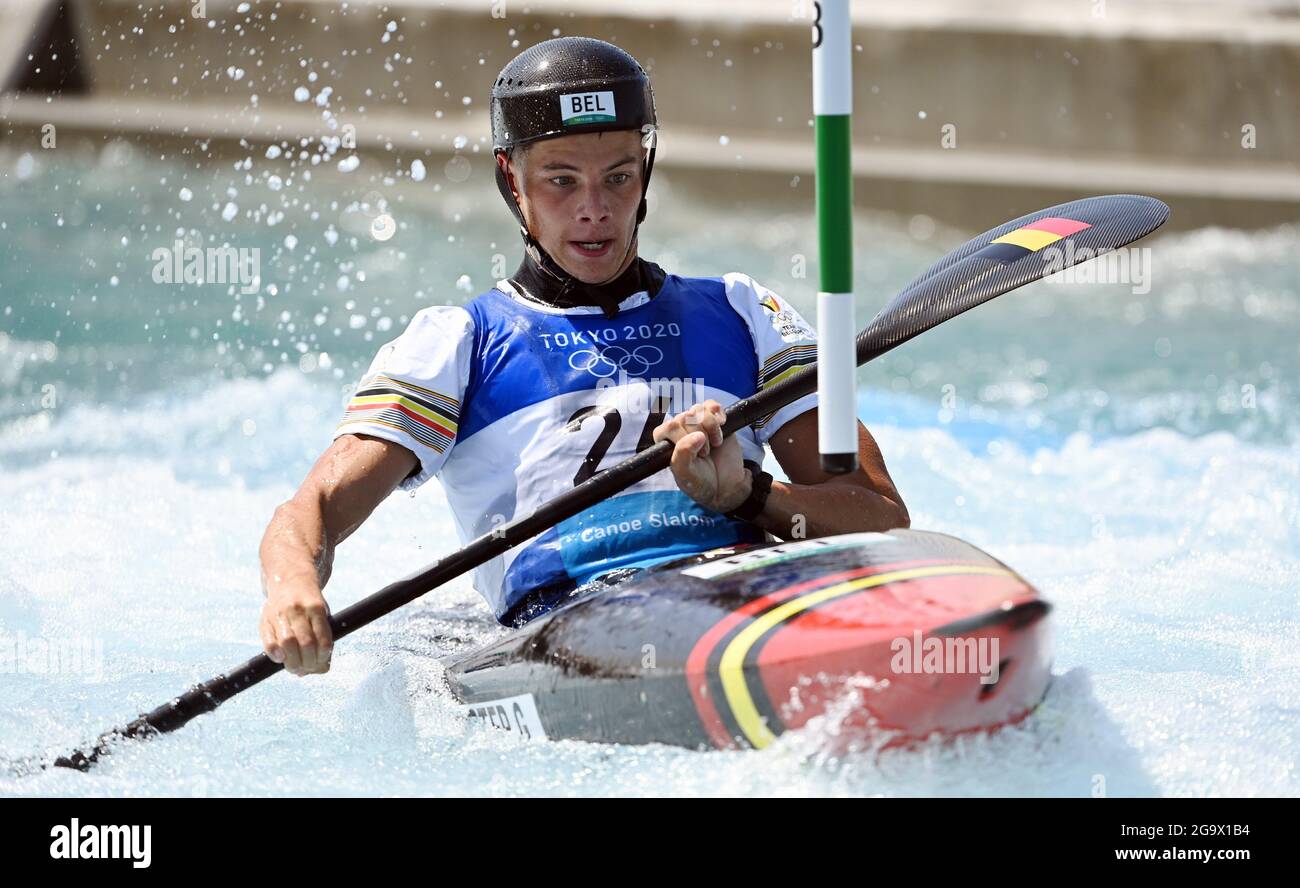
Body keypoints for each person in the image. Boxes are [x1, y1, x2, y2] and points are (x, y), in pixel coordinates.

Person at [258, 36, 908, 676]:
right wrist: (294, 589)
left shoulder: (743, 313)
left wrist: (749, 494)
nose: (594, 211)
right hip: (560, 633)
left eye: (618, 178)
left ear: (645, 172)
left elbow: (879, 518)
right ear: (512, 180)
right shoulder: (457, 344)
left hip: (745, 600)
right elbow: (309, 512)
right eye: (561, 181)